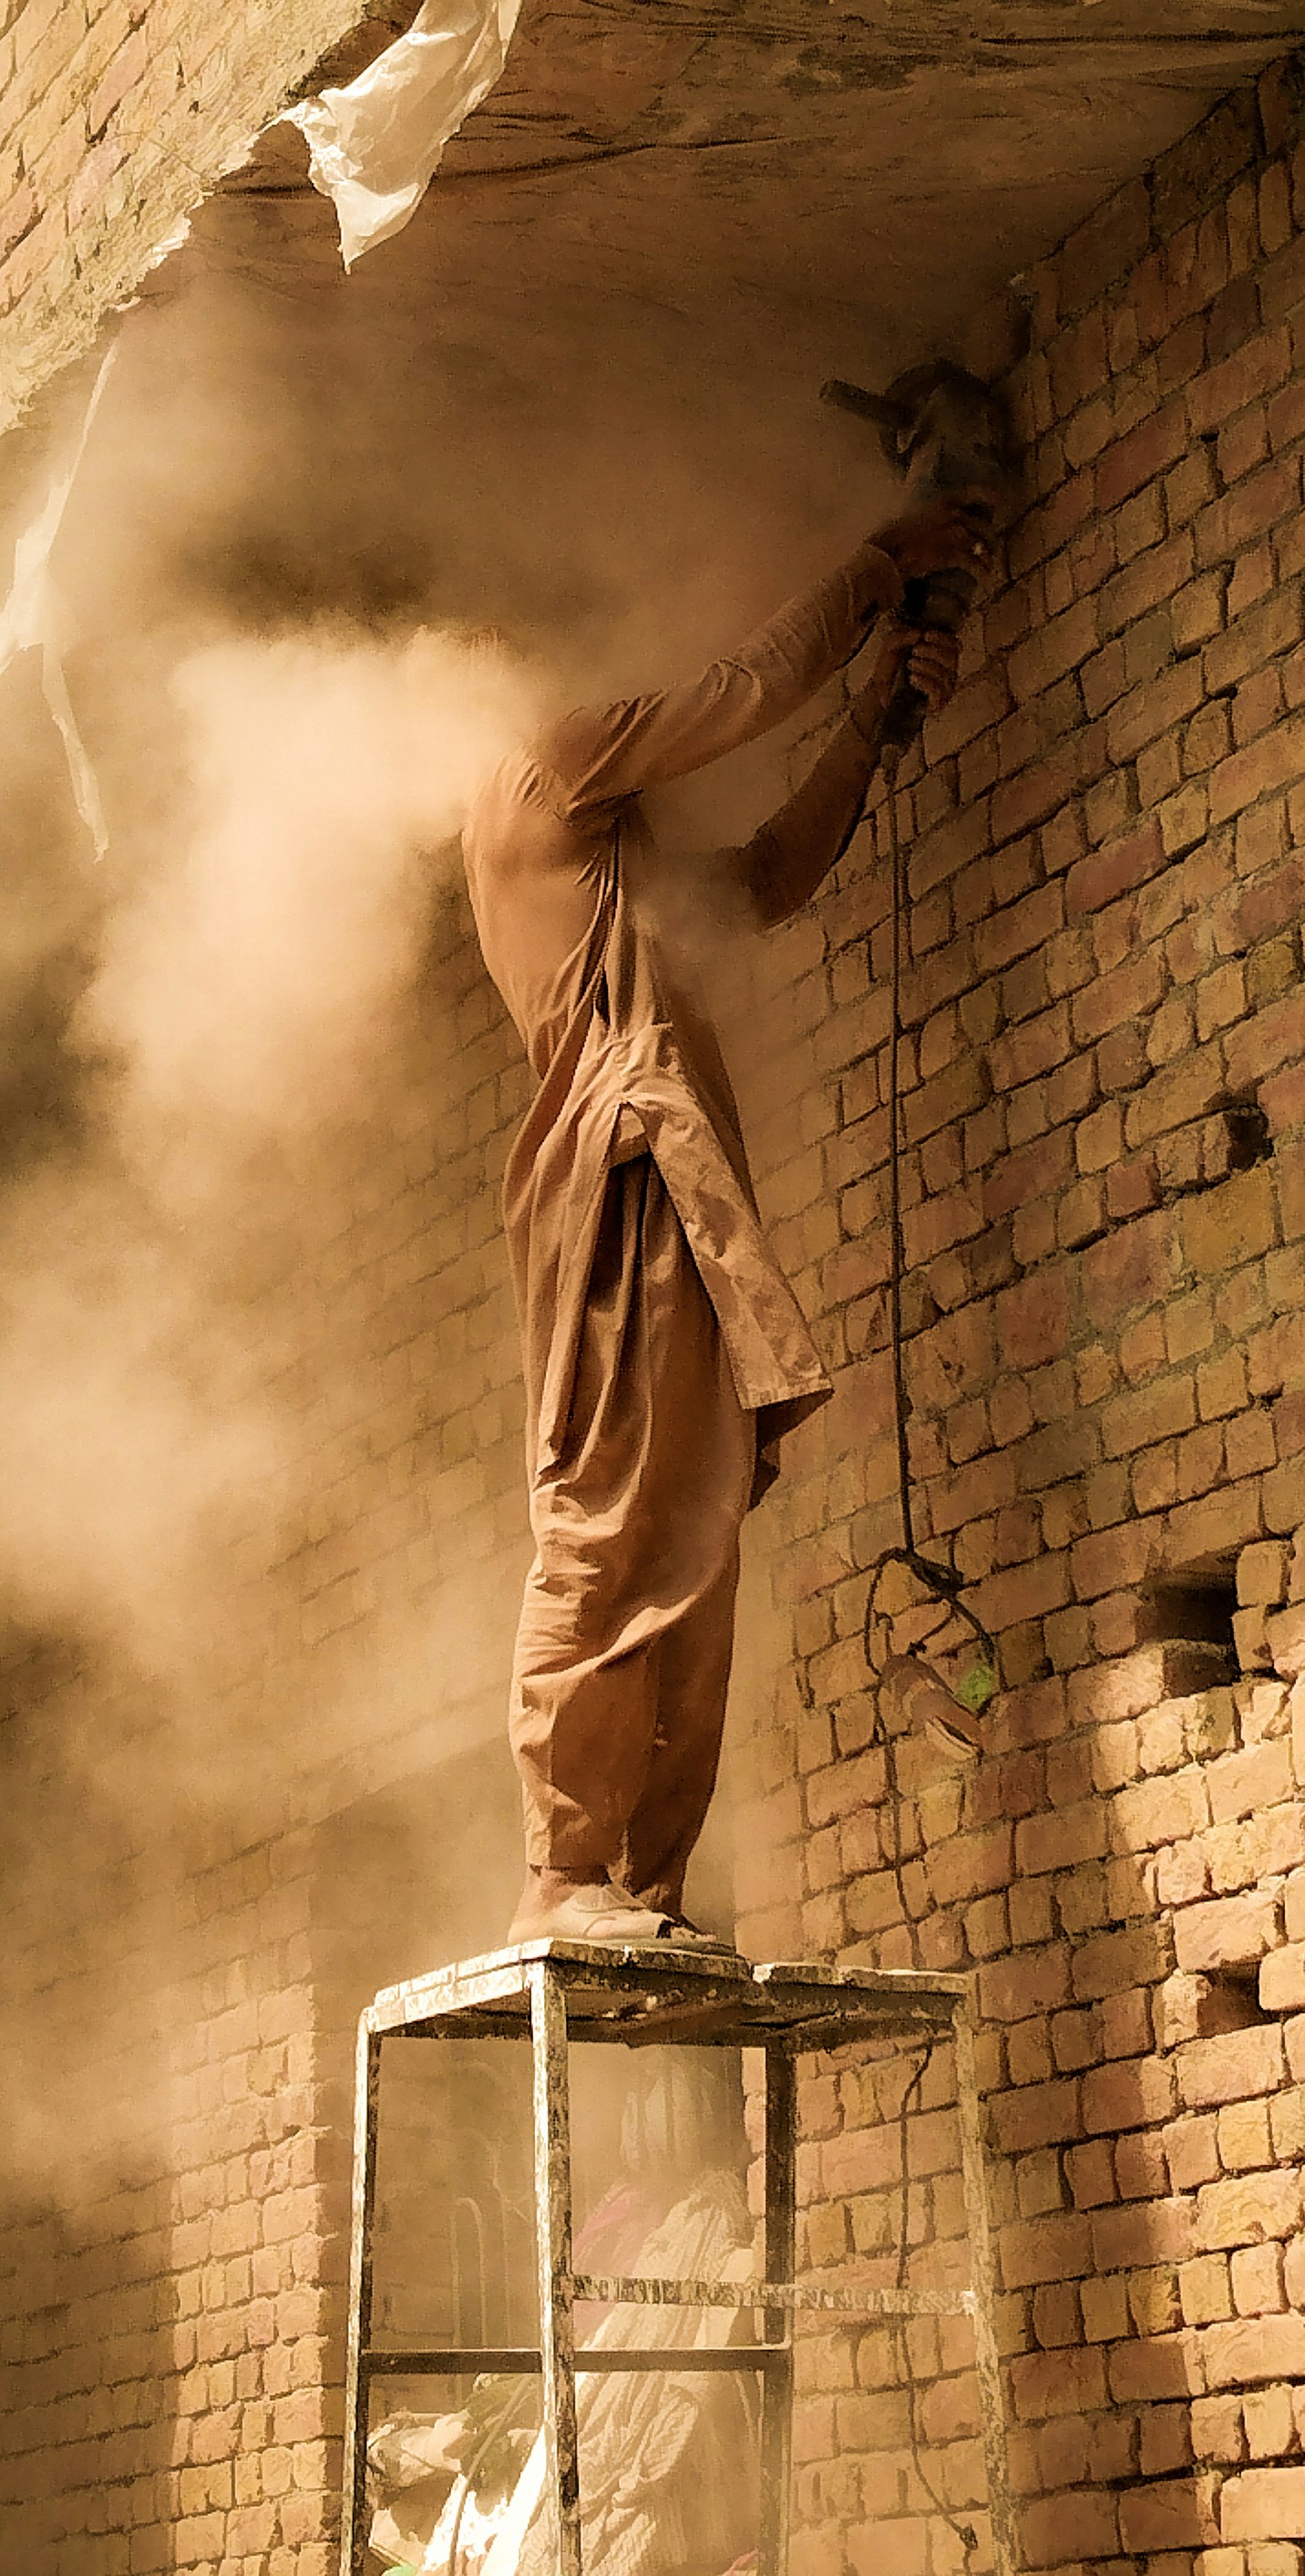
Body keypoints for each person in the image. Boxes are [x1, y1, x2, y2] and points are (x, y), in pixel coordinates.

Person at [462, 500, 987, 1946]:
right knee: (605, 1520)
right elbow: (740, 693)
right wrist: (882, 567)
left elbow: (762, 883)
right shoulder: (535, 775)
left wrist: (879, 715)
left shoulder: (623, 854)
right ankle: (559, 1872)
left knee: (695, 1541)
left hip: (680, 1198)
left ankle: (635, 1878)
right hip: (616, 1192)